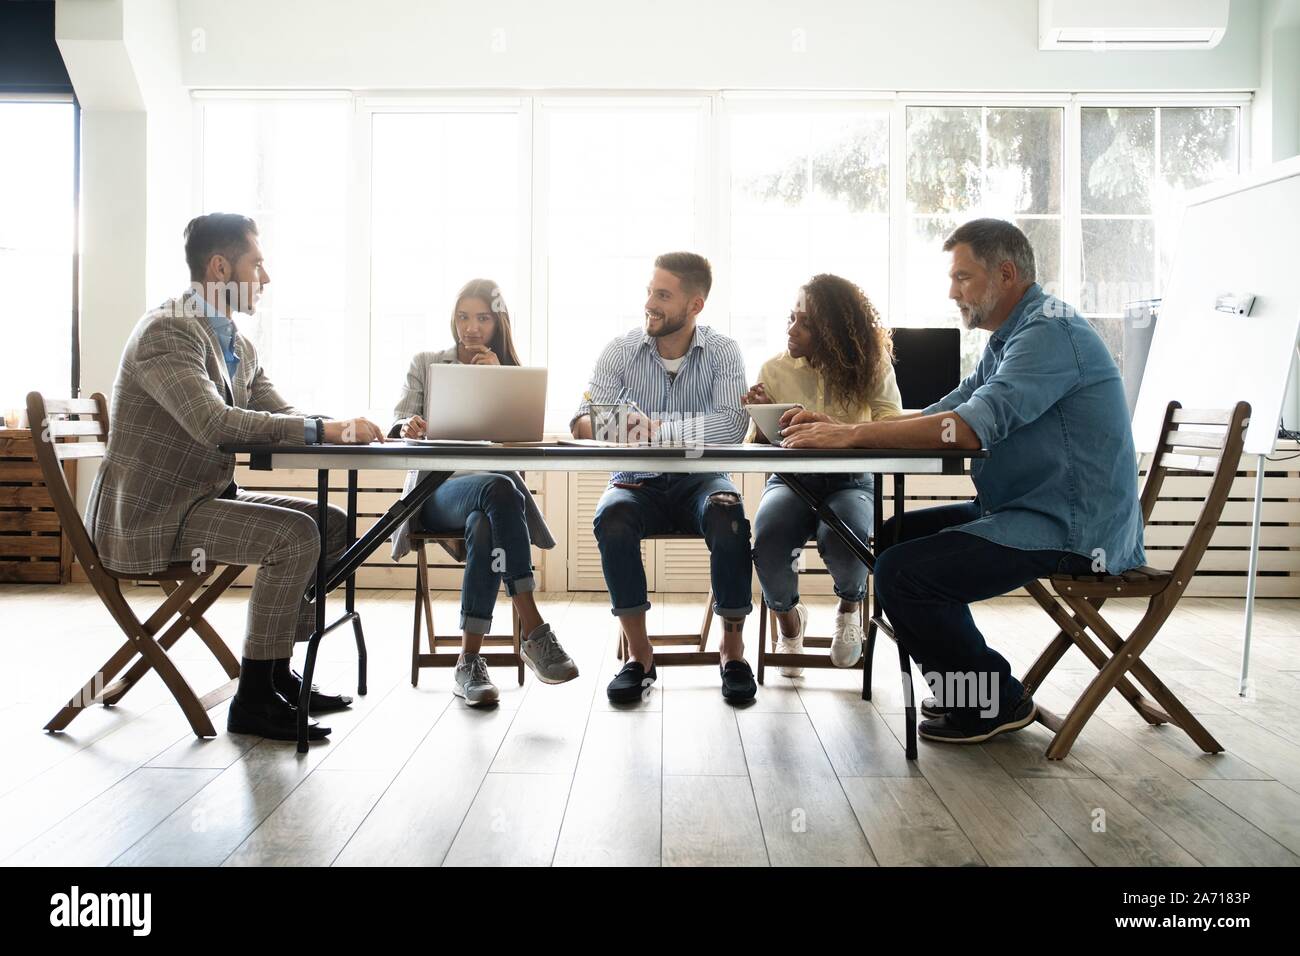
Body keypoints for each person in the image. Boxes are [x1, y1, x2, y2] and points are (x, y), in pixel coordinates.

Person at [780, 218, 1144, 744]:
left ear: (1006, 273)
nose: (952, 291)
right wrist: (843, 429)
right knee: (892, 540)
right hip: (1021, 509)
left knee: (903, 573)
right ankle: (968, 687)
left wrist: (853, 436)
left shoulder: (1049, 334)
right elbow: (948, 409)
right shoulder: (1011, 337)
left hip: (1073, 531)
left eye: (963, 278)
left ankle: (992, 699)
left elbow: (969, 430)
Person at [87, 212, 383, 742]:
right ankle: (252, 702)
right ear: (220, 267)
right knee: (294, 537)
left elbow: (285, 415)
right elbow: (212, 424)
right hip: (151, 515)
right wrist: (324, 429)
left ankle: (276, 676)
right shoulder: (168, 331)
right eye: (258, 264)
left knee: (331, 525)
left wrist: (346, 426)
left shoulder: (236, 345)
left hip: (200, 500)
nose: (266, 279)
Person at [570, 252, 756, 703]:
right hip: (636, 482)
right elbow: (582, 422)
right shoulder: (620, 350)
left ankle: (732, 651)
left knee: (729, 519)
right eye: (650, 291)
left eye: (663, 294)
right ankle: (639, 655)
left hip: (702, 480)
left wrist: (657, 432)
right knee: (611, 519)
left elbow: (732, 426)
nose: (650, 302)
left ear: (695, 305)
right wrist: (624, 429)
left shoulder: (723, 352)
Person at [389, 279, 578, 705]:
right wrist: (409, 426)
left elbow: (522, 451)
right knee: (499, 490)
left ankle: (468, 664)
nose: (470, 328)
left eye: (482, 318)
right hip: (439, 492)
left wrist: (495, 385)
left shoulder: (510, 374)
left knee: (488, 518)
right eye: (463, 317)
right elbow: (399, 422)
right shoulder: (426, 363)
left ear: (498, 323)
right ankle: (533, 628)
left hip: (493, 502)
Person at [744, 274, 902, 676]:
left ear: (832, 330)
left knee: (843, 539)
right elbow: (761, 443)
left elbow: (891, 424)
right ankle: (789, 623)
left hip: (851, 480)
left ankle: (849, 609)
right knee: (769, 540)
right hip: (791, 481)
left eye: (805, 322)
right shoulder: (774, 368)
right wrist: (762, 417)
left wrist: (834, 428)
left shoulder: (872, 365)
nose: (791, 329)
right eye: (791, 318)